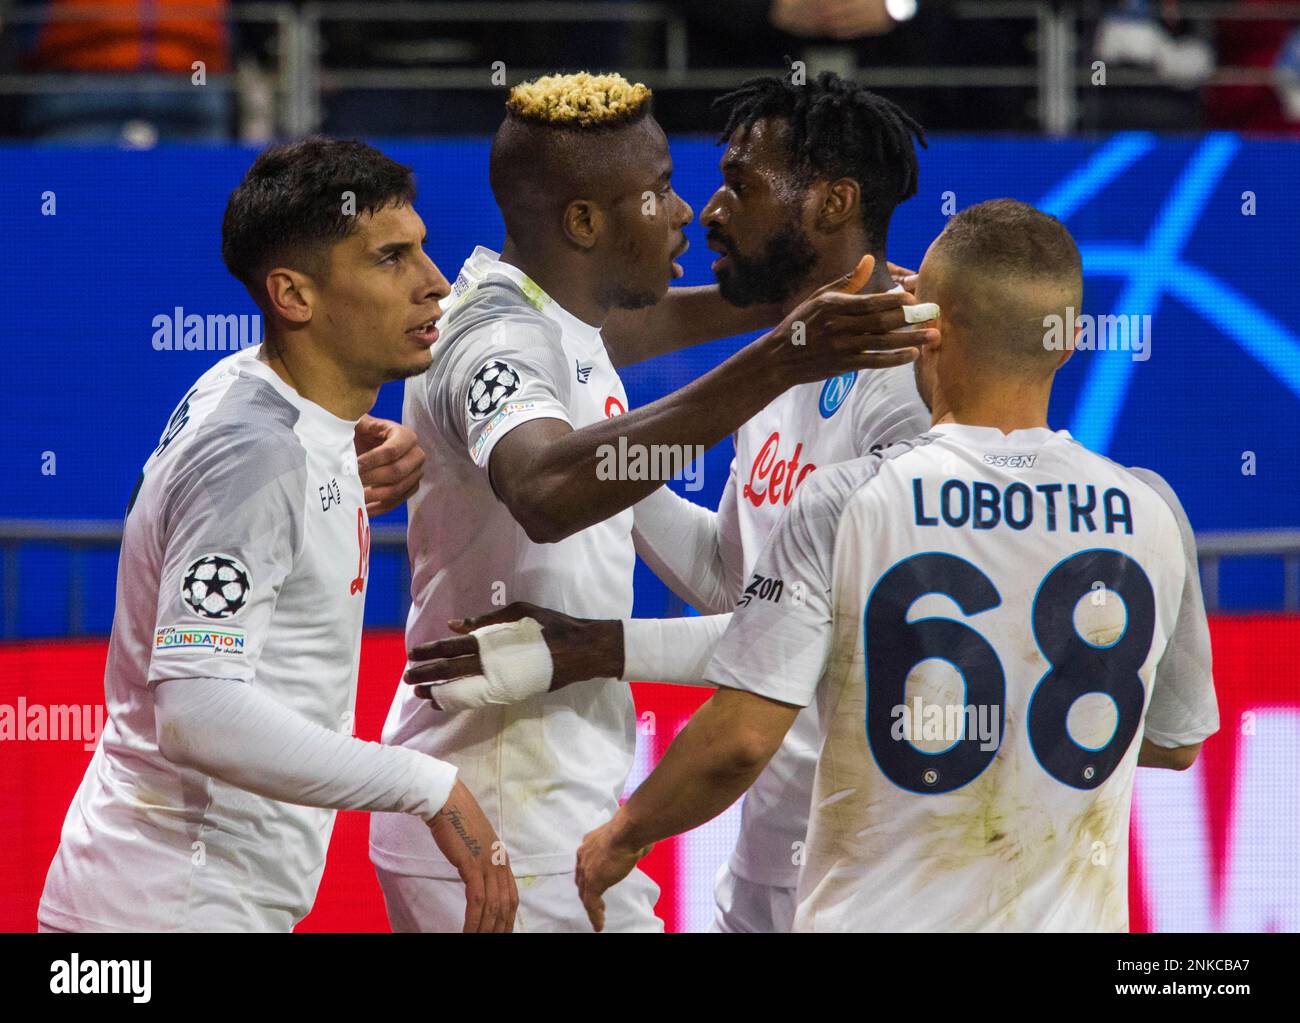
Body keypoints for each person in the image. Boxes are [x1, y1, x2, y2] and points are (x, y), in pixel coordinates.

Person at [368, 71, 935, 932]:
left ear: (830, 204)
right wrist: (781, 348)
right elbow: (557, 489)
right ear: (586, 222)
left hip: (867, 856)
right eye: (664, 189)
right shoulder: (512, 332)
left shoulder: (904, 382)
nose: (694, 211)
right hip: (513, 813)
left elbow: (822, 622)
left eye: (727, 184)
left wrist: (599, 641)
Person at [573, 199, 1219, 931]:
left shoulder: (846, 502)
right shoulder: (1151, 510)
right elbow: (1175, 739)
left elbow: (742, 738)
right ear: (1069, 342)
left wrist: (621, 836)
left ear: (924, 328)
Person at [38, 136, 516, 933]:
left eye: (422, 250)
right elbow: (196, 709)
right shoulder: (258, 457)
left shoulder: (252, 391)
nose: (434, 285)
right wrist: (426, 784)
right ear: (293, 294)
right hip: (167, 910)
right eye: (391, 259)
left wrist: (346, 447)